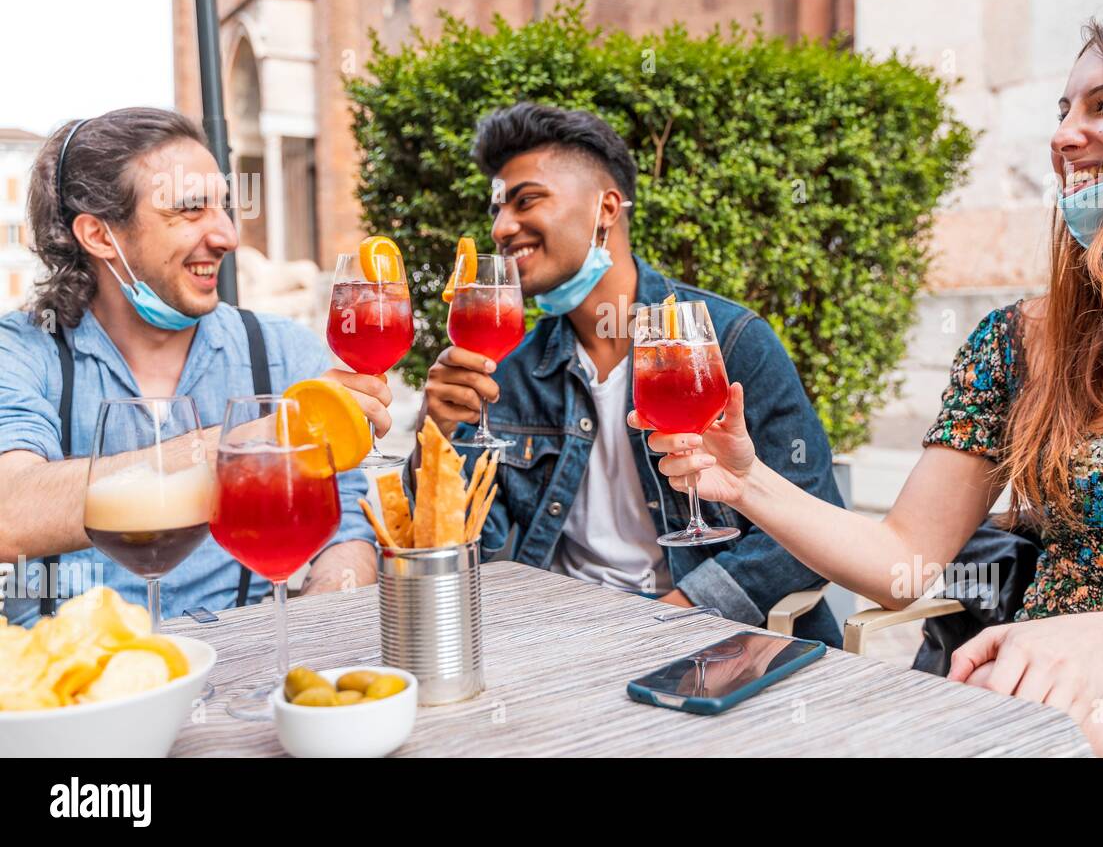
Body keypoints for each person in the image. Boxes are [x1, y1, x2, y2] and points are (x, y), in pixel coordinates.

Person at [634, 15, 1103, 757]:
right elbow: (902, 562)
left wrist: (1101, 643)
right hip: (1038, 690)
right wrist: (747, 481)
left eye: (1102, 106)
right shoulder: (1018, 344)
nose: (1063, 137)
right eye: (1063, 111)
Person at [415, 102, 844, 644]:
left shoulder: (727, 342)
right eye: (497, 209)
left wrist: (671, 614)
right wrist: (434, 441)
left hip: (714, 638)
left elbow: (816, 522)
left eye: (526, 201)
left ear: (606, 208)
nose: (501, 227)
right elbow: (468, 545)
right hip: (561, 633)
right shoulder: (510, 372)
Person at [0, 108, 391, 625]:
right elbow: (11, 511)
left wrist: (310, 630)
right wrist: (268, 437)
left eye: (223, 208)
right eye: (189, 209)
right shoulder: (26, 350)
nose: (227, 235)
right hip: (77, 686)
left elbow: (345, 534)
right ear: (98, 235)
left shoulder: (282, 350)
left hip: (241, 679)